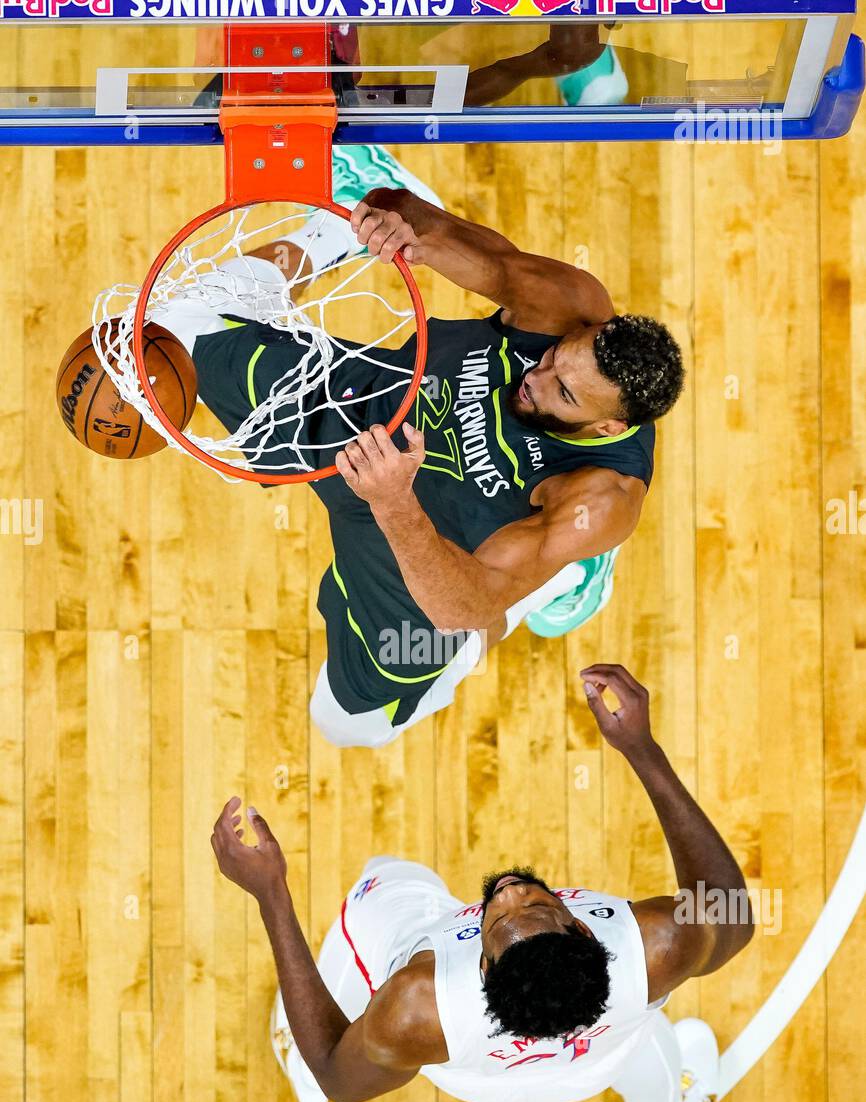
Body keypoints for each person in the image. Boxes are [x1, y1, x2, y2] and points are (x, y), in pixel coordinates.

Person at [210, 664, 751, 1102]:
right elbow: (734, 916)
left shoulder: (420, 1006)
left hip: (476, 1074)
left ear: (483, 967)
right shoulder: (653, 948)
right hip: (594, 1062)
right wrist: (641, 749)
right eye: (536, 905)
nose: (512, 892)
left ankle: (311, 1099)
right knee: (647, 1049)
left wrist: (271, 894)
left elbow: (337, 1071)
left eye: (500, 919)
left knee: (384, 898)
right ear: (585, 929)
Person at [179, 186, 683, 748]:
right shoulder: (569, 301)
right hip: (362, 409)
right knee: (170, 326)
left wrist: (395, 502)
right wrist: (393, 227)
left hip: (423, 549)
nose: (534, 379)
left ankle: (555, 582)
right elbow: (414, 212)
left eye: (562, 393)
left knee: (346, 723)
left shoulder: (600, 496)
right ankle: (325, 240)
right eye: (551, 359)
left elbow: (464, 605)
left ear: (608, 427)